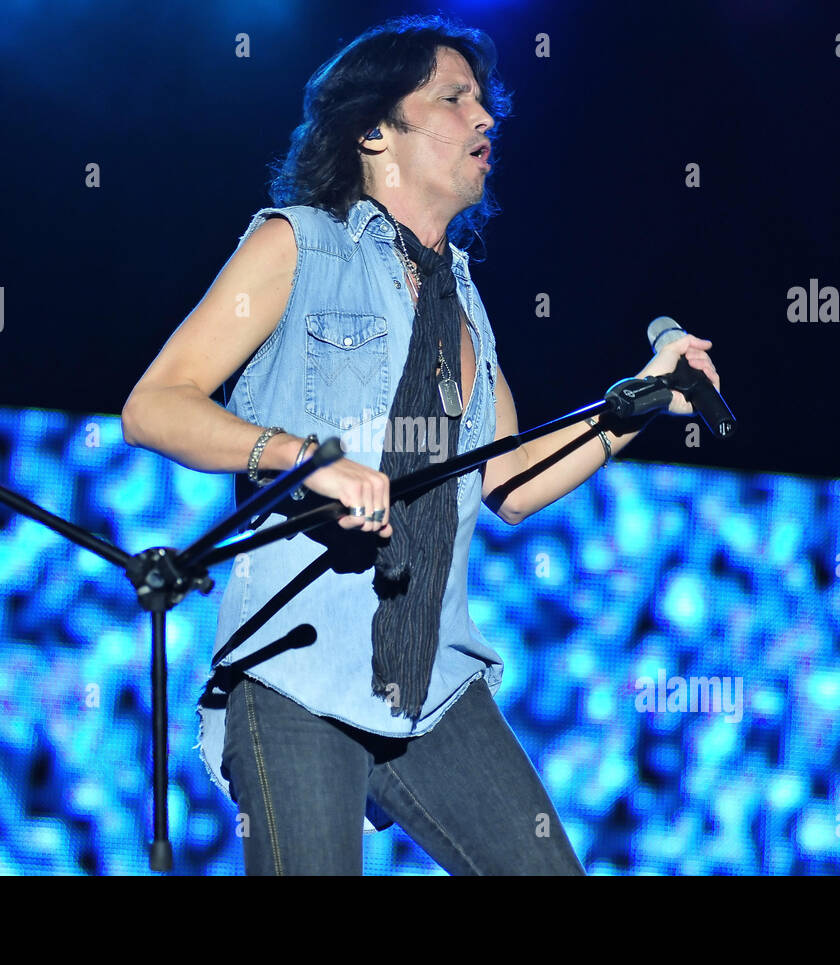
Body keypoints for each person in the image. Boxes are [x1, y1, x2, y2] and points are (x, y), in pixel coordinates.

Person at [120, 14, 719, 875]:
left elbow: (510, 482)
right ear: (374, 131)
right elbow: (155, 405)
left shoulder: (467, 305)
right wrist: (302, 457)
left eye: (485, 101)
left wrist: (643, 401)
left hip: (435, 686)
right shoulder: (298, 244)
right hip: (298, 674)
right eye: (454, 98)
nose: (486, 118)